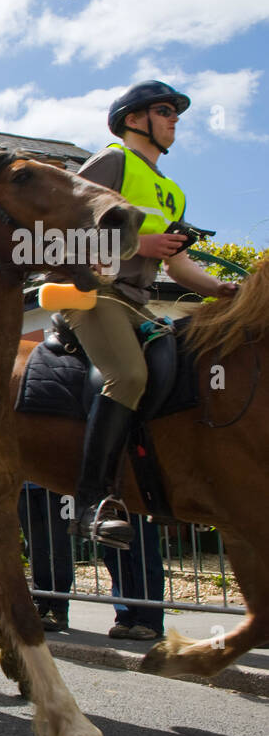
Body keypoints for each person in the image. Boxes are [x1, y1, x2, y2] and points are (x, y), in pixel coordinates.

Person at [66, 81, 238, 546]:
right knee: (127, 376)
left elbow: (177, 264)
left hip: (136, 303)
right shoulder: (112, 162)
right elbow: (71, 228)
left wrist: (223, 288)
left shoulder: (172, 193)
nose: (174, 118)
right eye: (164, 110)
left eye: (175, 112)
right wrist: (139, 244)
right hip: (92, 291)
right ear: (133, 120)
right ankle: (90, 503)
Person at [17, 484, 75, 631]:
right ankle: (40, 604)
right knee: (35, 549)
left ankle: (59, 609)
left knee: (60, 547)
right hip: (25, 487)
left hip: (57, 485)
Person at [102, 515, 165, 640]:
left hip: (140, 504)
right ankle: (125, 617)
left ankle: (148, 621)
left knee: (144, 554)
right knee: (115, 557)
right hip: (112, 502)